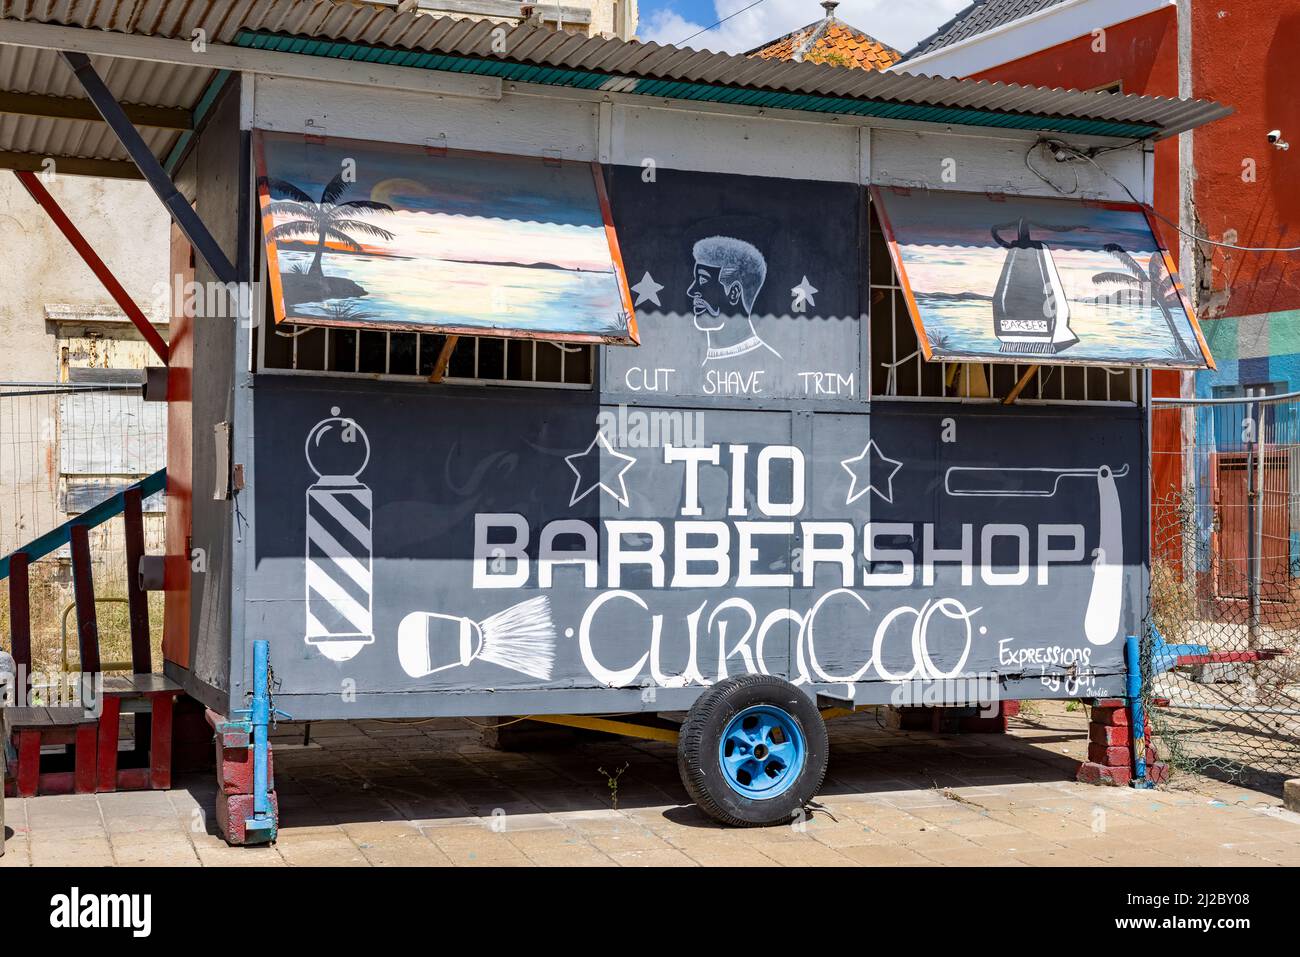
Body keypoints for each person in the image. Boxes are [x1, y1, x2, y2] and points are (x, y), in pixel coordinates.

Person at [687, 236, 780, 362]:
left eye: (703, 280)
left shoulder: (770, 364)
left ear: (734, 293)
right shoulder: (706, 367)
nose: (692, 291)